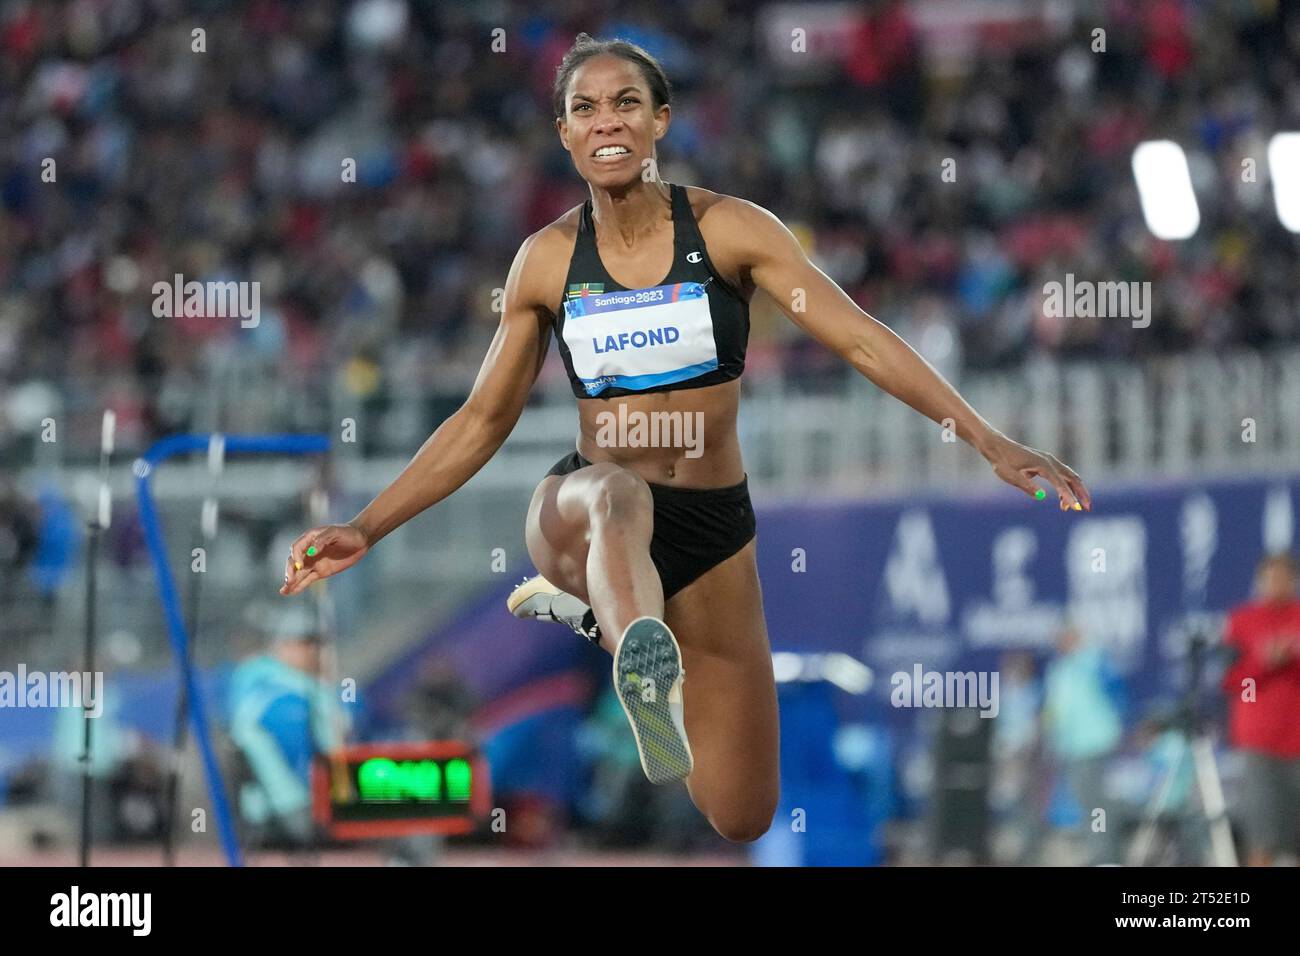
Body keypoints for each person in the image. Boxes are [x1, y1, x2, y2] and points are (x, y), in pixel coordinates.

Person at [279, 34, 1092, 844]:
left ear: (660, 119)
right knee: (619, 496)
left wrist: (988, 440)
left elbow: (863, 340)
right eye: (584, 108)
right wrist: (367, 525)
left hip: (711, 530)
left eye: (626, 103)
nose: (607, 122)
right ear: (563, 132)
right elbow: (481, 419)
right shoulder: (548, 261)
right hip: (582, 505)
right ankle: (632, 644)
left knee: (741, 813)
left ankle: (603, 624)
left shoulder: (733, 231)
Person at [226, 603, 346, 849]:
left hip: (320, 805)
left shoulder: (318, 686)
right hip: (283, 813)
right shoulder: (269, 686)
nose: (315, 651)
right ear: (284, 645)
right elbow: (250, 736)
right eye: (306, 643)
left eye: (319, 644)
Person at [1222, 552, 1300, 866]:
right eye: (1270, 577)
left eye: (1283, 577)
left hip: (1297, 743)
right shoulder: (1243, 621)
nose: (1276, 584)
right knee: (1261, 835)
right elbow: (1231, 680)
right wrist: (1267, 661)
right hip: (1259, 745)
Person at [1041, 625, 1124, 864]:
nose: (1061, 642)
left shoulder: (1093, 661)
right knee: (1086, 805)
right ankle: (1098, 853)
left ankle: (1105, 856)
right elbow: (1056, 708)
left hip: (1096, 742)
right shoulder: (1059, 670)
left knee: (1097, 805)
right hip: (1071, 747)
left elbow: (1114, 691)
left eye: (1067, 637)